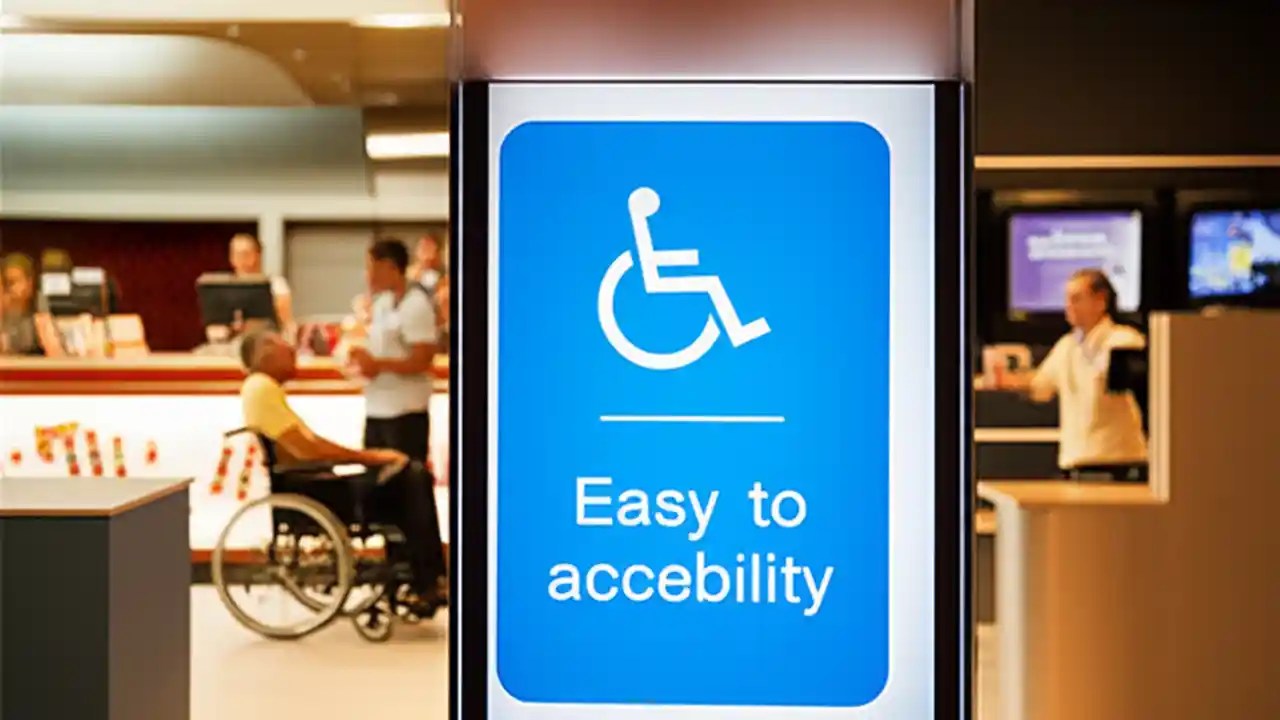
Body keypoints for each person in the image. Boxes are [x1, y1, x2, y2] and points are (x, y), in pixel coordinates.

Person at [238, 329, 447, 611]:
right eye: (284, 347)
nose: (293, 351)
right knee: (412, 477)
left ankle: (425, 578)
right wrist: (370, 457)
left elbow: (306, 447)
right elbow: (307, 450)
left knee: (411, 476)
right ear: (265, 355)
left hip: (312, 481)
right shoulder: (262, 389)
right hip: (315, 488)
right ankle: (429, 579)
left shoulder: (262, 389)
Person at [1001, 268, 1148, 480]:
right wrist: (1006, 380)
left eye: (1076, 298)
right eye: (1067, 299)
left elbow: (1110, 375)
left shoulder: (1124, 340)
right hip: (1076, 464)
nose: (1068, 306)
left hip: (1118, 463)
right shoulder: (1067, 345)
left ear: (1101, 301)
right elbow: (1041, 387)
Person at [348, 239, 439, 470]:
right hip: (377, 407)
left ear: (390, 267)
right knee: (374, 481)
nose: (368, 275)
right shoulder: (383, 303)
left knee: (403, 483)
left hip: (405, 412)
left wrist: (379, 365)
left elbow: (422, 359)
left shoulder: (416, 304)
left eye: (372, 267)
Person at [228, 233, 295, 337]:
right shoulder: (225, 287)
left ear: (257, 255)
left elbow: (286, 322)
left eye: (245, 254)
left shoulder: (276, 284)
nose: (241, 260)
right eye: (236, 254)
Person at [1, 253, 43, 355]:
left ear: (29, 283)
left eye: (13, 282)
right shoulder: (6, 315)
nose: (10, 289)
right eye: (7, 283)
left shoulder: (39, 309)